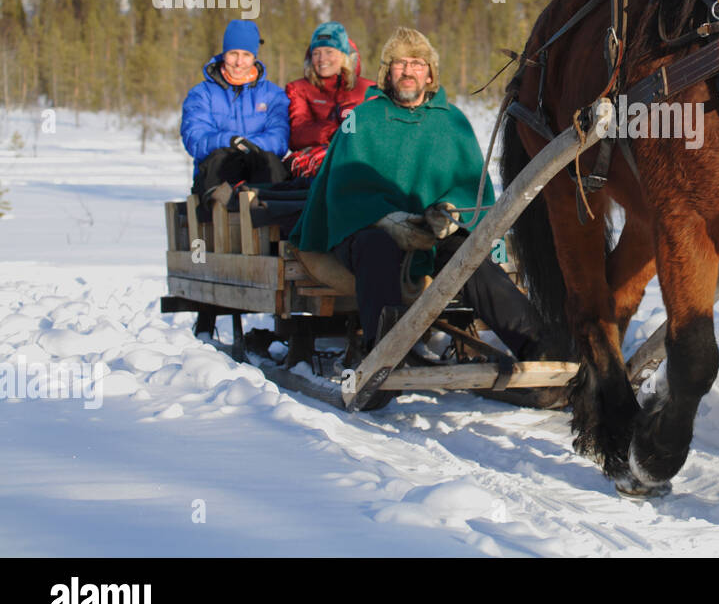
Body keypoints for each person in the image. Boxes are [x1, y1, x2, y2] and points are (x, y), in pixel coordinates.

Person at [288, 26, 552, 362]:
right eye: (400, 63)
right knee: (376, 248)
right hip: (370, 232)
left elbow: (473, 187)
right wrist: (384, 219)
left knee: (468, 256)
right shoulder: (362, 120)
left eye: (417, 63)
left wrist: (452, 214)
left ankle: (539, 346)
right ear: (388, 73)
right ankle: (387, 350)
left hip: (432, 235)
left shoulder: (450, 121)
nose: (409, 71)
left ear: (430, 74)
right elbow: (341, 189)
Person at [181, 19, 290, 197]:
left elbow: (279, 138)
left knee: (269, 162)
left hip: (260, 173)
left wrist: (249, 146)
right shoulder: (202, 94)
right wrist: (231, 142)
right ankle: (221, 216)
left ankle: (269, 217)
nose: (239, 62)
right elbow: (195, 138)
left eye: (246, 55)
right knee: (221, 160)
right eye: (233, 53)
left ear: (254, 57)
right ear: (224, 53)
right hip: (217, 176)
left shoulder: (273, 95)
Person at [284, 21, 376, 179]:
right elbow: (297, 134)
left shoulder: (368, 90)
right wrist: (335, 131)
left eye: (329, 51)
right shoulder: (299, 89)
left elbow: (375, 132)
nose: (322, 59)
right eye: (316, 53)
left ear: (344, 55)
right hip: (316, 164)